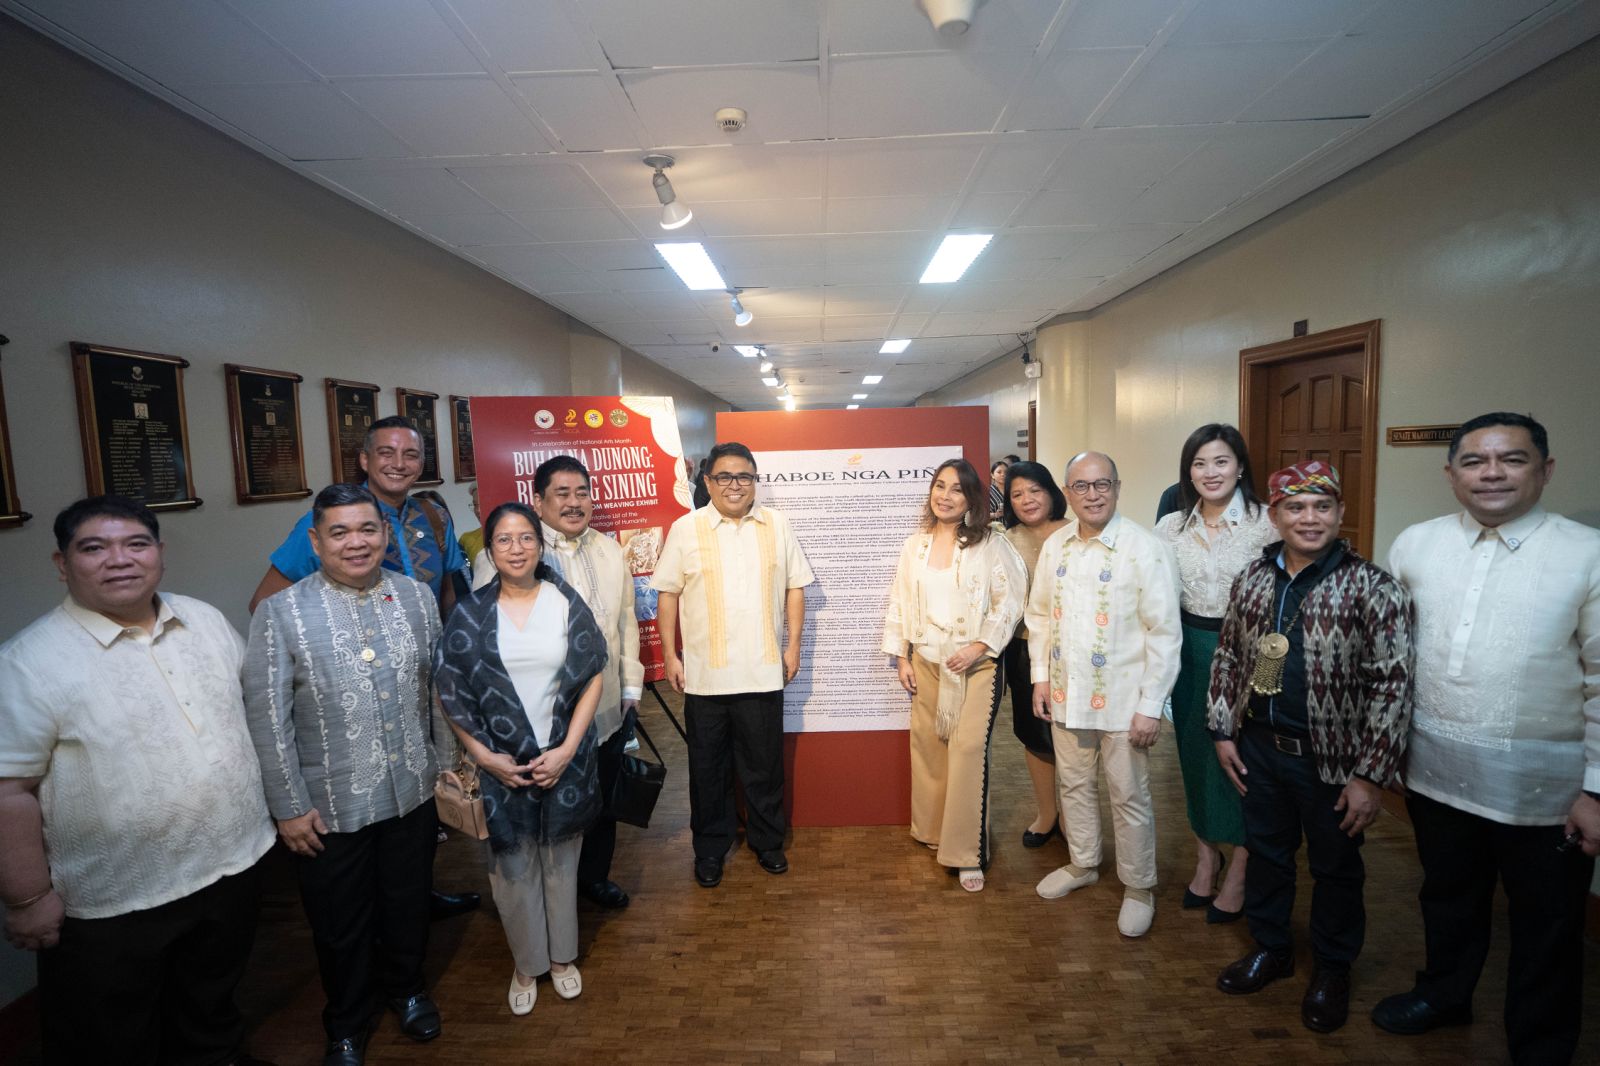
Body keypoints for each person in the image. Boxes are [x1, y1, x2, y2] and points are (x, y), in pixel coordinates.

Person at [0, 496, 276, 1066]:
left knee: (211, 1008)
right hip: (115, 899)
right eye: (94, 548)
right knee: (112, 1038)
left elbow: (249, 712)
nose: (119, 559)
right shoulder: (27, 663)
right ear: (62, 564)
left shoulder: (203, 620)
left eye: (136, 544)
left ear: (159, 553)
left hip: (232, 865)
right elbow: (8, 792)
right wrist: (27, 899)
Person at [1372, 413, 1599, 1064]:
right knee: (1447, 898)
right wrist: (1383, 757)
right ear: (1451, 475)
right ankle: (1444, 995)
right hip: (1434, 775)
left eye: (1512, 459)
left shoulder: (1587, 554)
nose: (1491, 473)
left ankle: (1540, 1045)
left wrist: (1596, 791)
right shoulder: (1416, 544)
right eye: (1474, 461)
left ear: (1545, 470)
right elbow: (1390, 657)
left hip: (1546, 793)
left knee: (1548, 924)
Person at [244, 483, 447, 1066]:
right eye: (339, 532)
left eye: (367, 529)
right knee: (340, 924)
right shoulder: (282, 613)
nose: (356, 542)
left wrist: (444, 768)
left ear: (384, 535)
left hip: (412, 790)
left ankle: (408, 990)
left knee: (407, 903)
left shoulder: (415, 597)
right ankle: (347, 1024)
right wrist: (287, 807)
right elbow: (267, 717)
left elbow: (438, 690)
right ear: (316, 541)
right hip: (328, 806)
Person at [1206, 460, 1413, 1033]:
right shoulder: (1253, 578)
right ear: (1275, 516)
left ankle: (1332, 969)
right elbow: (1229, 655)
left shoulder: (1373, 588)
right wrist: (1222, 730)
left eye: (1322, 506)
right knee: (1267, 855)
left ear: (1341, 513)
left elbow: (1393, 685)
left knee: (1336, 868)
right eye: (1295, 507)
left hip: (1333, 762)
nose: (1309, 518)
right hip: (1258, 749)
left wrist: (1370, 775)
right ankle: (1272, 949)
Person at [248, 414, 479, 921]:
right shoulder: (328, 520)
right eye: (386, 453)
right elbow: (266, 603)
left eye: (411, 454)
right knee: (353, 880)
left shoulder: (432, 515)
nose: (399, 464)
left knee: (413, 834)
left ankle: (418, 899)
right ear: (364, 460)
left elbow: (444, 593)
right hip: (348, 704)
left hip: (416, 681)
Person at [434, 502, 606, 1016]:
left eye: (526, 538)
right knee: (511, 869)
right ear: (489, 550)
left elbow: (593, 674)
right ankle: (527, 963)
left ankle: (562, 959)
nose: (516, 548)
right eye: (504, 540)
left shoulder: (564, 601)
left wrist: (568, 749)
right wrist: (484, 756)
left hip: (562, 759)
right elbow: (449, 689)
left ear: (540, 544)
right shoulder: (470, 613)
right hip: (500, 766)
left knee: (562, 863)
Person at [1026, 452, 1180, 938]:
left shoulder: (1145, 547)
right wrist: (1040, 678)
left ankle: (1139, 886)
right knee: (1073, 784)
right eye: (1081, 486)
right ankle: (1083, 862)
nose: (1092, 495)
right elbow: (1038, 615)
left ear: (1117, 487)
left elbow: (1164, 633)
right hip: (1067, 693)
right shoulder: (1057, 546)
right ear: (1066, 493)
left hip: (1124, 702)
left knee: (1129, 795)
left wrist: (1151, 706)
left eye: (1102, 485)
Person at [652, 441, 814, 888]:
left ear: (755, 480)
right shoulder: (686, 529)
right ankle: (709, 849)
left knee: (764, 767)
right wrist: (669, 655)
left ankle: (768, 842)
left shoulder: (777, 525)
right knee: (708, 771)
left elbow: (795, 588)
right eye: (724, 476)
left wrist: (793, 647)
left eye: (744, 476)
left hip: (763, 671)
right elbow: (668, 594)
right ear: (707, 482)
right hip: (705, 677)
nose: (735, 485)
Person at [883, 459, 1027, 892]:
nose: (945, 496)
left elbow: (1011, 600)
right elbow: (900, 600)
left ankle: (967, 852)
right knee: (929, 749)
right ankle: (933, 832)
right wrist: (902, 656)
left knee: (966, 752)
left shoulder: (991, 543)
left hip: (976, 667)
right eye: (940, 486)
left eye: (957, 489)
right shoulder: (915, 545)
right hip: (926, 662)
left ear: (971, 499)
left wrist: (980, 646)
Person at [1154, 425, 1275, 923]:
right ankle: (1207, 857)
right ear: (1188, 471)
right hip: (1188, 651)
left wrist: (1268, 676)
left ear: (1240, 466)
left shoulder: (1268, 523)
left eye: (1221, 461)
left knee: (1245, 765)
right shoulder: (1170, 528)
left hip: (1252, 654)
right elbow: (1155, 599)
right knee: (1196, 757)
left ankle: (1242, 868)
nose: (1210, 472)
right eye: (1200, 463)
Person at [523, 455, 644, 911]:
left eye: (582, 493)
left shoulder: (610, 550)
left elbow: (626, 621)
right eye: (562, 493)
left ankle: (594, 877)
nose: (574, 503)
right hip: (543, 716)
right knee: (548, 804)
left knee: (601, 798)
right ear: (538, 501)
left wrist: (630, 688)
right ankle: (546, 892)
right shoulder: (517, 551)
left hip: (607, 705)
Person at [999, 461, 1070, 848]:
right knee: (1036, 735)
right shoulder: (1005, 540)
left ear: (1051, 492)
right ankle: (1047, 814)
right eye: (1017, 494)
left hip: (1074, 650)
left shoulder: (1076, 532)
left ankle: (1076, 818)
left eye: (1035, 490)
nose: (1027, 499)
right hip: (1025, 649)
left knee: (1075, 736)